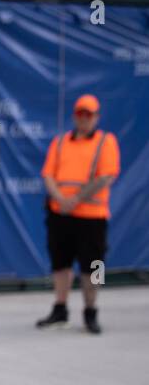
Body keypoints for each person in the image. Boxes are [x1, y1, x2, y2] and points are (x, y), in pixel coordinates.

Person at [36, 94, 120, 334]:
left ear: (97, 117)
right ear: (74, 116)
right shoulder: (60, 142)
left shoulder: (106, 142)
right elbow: (48, 175)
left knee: (94, 266)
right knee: (60, 262)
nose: (84, 119)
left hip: (93, 216)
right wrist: (60, 199)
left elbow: (106, 176)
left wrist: (76, 199)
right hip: (60, 214)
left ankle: (91, 311)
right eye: (80, 114)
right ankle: (60, 309)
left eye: (89, 114)